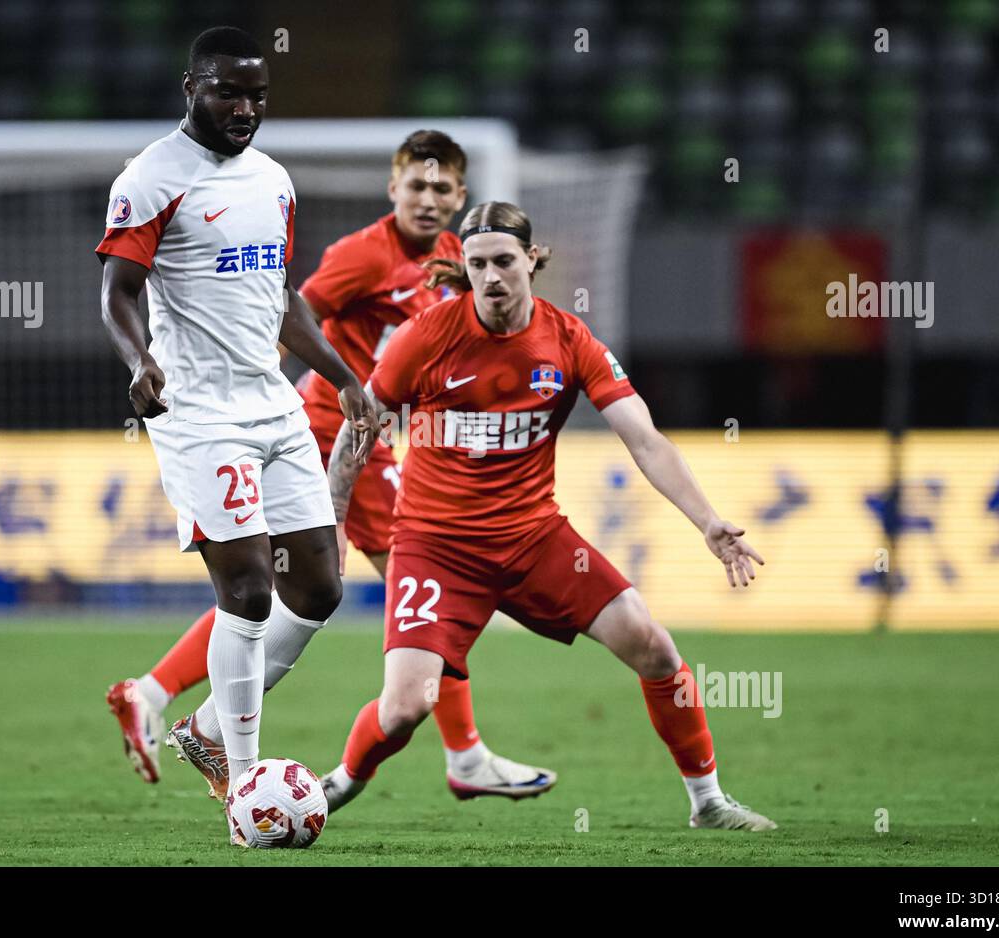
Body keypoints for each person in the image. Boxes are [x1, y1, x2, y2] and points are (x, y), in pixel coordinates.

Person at [107, 130, 556, 802]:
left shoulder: (455, 259)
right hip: (326, 431)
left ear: (461, 196)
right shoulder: (361, 255)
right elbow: (288, 308)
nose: (428, 200)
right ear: (393, 188)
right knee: (421, 582)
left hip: (367, 435)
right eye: (416, 186)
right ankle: (463, 754)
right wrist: (252, 404)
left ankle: (155, 693)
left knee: (316, 590)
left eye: (442, 190)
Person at [319, 201, 778, 831]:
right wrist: (332, 519)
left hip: (535, 541)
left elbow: (643, 439)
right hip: (435, 547)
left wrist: (706, 520)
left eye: (504, 261)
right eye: (477, 264)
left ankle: (709, 803)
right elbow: (362, 425)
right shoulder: (426, 337)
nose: (491, 277)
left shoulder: (568, 340)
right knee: (405, 708)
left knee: (654, 647)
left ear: (532, 260)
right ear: (464, 267)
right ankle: (335, 787)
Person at [95, 26, 377, 840]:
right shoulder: (151, 179)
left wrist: (345, 377)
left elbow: (282, 299)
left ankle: (208, 732)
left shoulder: (274, 181)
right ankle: (246, 783)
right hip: (199, 413)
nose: (245, 109)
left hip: (274, 404)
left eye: (257, 96)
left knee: (318, 587)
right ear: (192, 89)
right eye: (228, 93)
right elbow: (116, 291)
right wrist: (139, 361)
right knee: (249, 590)